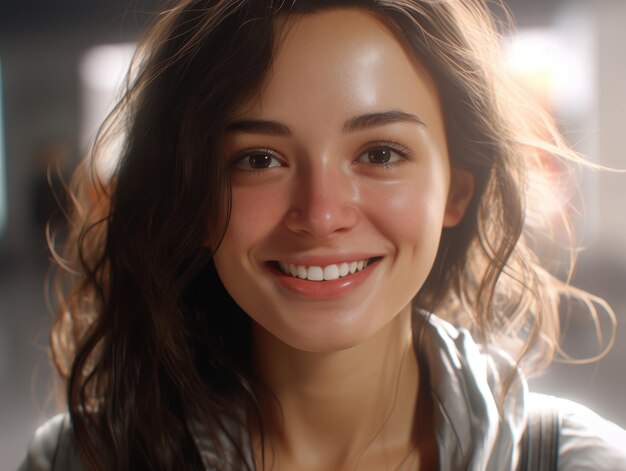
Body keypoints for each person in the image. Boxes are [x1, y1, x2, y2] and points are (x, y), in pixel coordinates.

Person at [18, 0, 626, 470]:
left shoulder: (580, 460)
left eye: (381, 153)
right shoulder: (80, 458)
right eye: (258, 159)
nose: (322, 212)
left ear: (457, 190)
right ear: (193, 199)